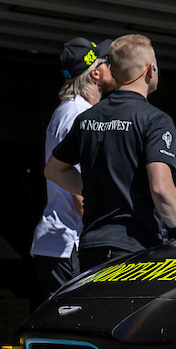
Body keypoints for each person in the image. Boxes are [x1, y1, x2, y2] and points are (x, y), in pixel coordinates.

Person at [45, 34, 176, 270]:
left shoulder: (86, 119)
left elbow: (53, 170)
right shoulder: (155, 120)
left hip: (90, 247)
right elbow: (161, 188)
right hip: (134, 248)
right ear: (150, 70)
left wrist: (97, 189)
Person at [30, 37, 115, 295]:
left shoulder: (67, 110)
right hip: (70, 245)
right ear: (94, 74)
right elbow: (80, 187)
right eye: (106, 62)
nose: (112, 67)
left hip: (60, 243)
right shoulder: (78, 115)